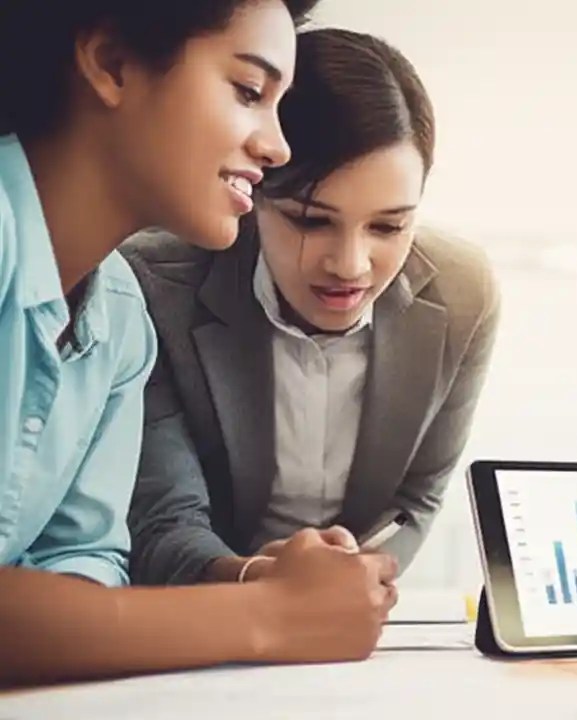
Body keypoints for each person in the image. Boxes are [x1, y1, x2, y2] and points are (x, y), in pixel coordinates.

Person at [0, 1, 397, 685]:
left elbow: (84, 570)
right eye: (249, 92)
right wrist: (270, 613)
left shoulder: (120, 319)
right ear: (112, 63)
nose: (277, 148)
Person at [122, 28, 498, 587]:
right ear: (254, 192)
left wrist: (351, 583)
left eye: (389, 226)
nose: (350, 265)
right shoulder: (152, 284)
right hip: (197, 609)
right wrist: (266, 589)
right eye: (311, 221)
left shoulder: (463, 294)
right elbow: (161, 520)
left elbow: (414, 500)